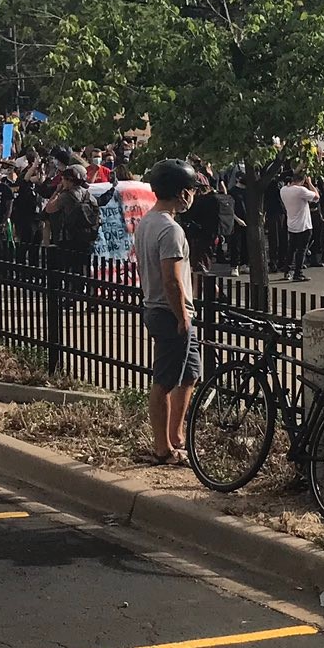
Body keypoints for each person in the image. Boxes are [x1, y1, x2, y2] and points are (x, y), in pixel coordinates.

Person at [137, 159, 201, 466]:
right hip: (169, 312)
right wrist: (182, 316)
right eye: (192, 190)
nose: (193, 196)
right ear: (182, 193)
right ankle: (162, 448)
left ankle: (176, 436)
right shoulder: (170, 229)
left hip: (158, 307)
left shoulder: (147, 222)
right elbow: (172, 280)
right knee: (164, 381)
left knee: (189, 375)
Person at [279, 171, 318, 282]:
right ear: (302, 180)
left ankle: (287, 270)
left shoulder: (283, 190)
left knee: (291, 249)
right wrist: (310, 183)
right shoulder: (301, 190)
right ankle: (298, 273)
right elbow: (316, 197)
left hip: (291, 223)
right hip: (304, 224)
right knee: (301, 250)